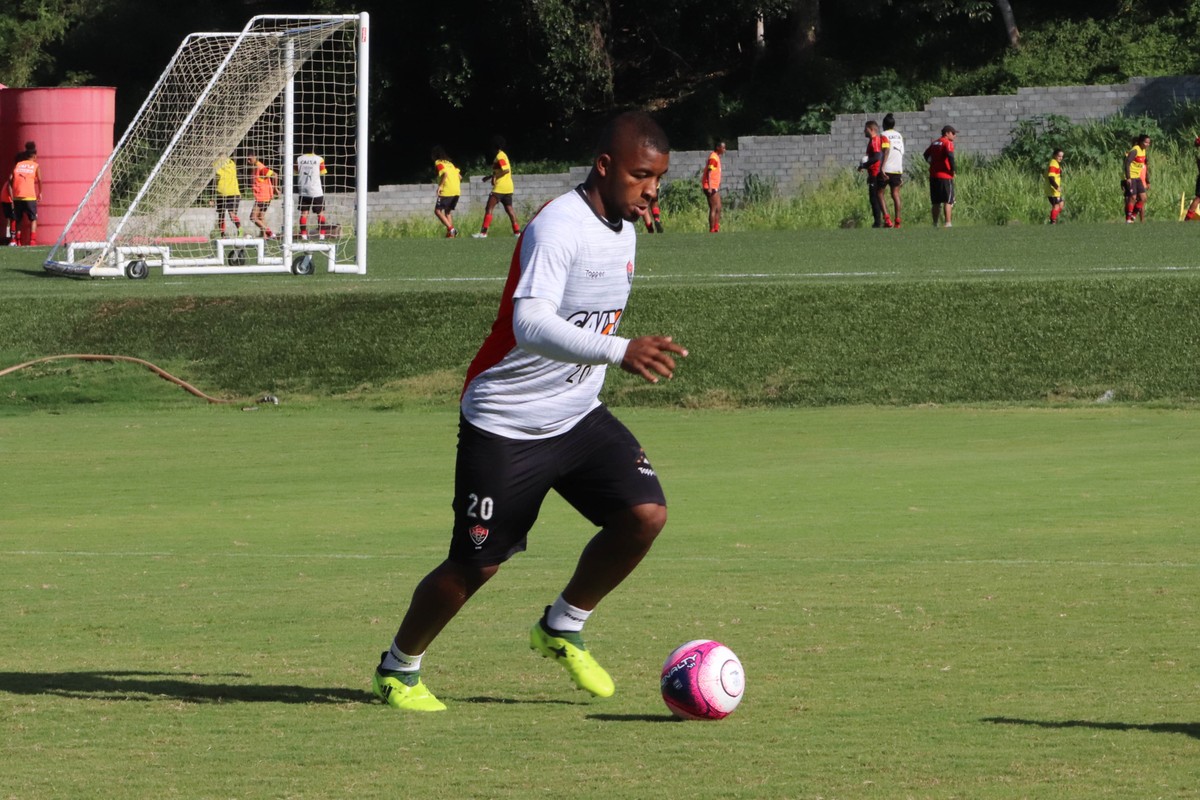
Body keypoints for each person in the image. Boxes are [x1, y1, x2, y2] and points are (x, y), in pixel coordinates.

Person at [371, 110, 685, 712]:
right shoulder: (558, 226)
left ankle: (563, 625)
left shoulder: (627, 230)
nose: (652, 190)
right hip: (506, 423)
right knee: (475, 566)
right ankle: (398, 668)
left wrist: (604, 359)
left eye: (659, 180)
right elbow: (531, 323)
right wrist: (621, 350)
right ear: (605, 166)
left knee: (644, 515)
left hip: (576, 416)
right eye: (642, 176)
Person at [472, 136, 521, 238]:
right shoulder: (502, 155)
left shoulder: (500, 156)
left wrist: (494, 176)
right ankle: (517, 232)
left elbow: (506, 170)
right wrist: (490, 177)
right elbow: (502, 170)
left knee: (489, 207)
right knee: (509, 209)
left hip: (501, 187)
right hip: (508, 187)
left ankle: (483, 233)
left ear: (495, 146)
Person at [923, 125, 957, 227]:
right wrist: (953, 170)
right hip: (945, 176)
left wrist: (932, 163)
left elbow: (925, 154)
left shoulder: (935, 143)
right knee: (948, 200)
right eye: (953, 133)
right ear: (947, 133)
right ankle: (948, 223)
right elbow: (950, 156)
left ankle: (935, 224)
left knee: (936, 202)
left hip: (934, 176)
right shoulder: (948, 143)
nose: (955, 136)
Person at [8, 144, 43, 246]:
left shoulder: (18, 164)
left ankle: (18, 241)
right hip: (29, 196)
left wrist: (13, 189)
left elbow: (10, 178)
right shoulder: (35, 165)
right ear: (34, 156)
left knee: (18, 219)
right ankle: (32, 241)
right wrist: (40, 192)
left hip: (17, 196)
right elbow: (40, 179)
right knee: (33, 219)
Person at [857, 121, 887, 228]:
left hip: (876, 173)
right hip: (873, 173)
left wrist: (864, 165)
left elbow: (877, 156)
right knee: (876, 197)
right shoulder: (872, 141)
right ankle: (880, 221)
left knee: (874, 198)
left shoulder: (874, 141)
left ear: (872, 130)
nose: (864, 131)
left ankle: (877, 223)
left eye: (866, 129)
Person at [296, 149, 329, 240]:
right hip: (316, 191)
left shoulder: (299, 159)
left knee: (304, 213)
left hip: (303, 190)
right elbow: (323, 172)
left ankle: (303, 235)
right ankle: (322, 235)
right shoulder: (319, 159)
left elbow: (295, 171)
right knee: (320, 213)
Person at [432, 146, 462, 238]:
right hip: (456, 190)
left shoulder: (438, 162)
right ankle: (451, 235)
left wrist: (440, 186)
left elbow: (444, 173)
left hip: (447, 190)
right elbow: (460, 177)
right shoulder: (450, 164)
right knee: (447, 212)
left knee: (437, 211)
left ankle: (452, 229)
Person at [880, 113, 905, 228]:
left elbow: (886, 150)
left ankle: (887, 219)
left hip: (886, 168)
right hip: (897, 169)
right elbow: (901, 153)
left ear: (884, 124)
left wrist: (882, 167)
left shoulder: (883, 135)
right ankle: (898, 221)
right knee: (895, 194)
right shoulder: (899, 136)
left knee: (879, 193)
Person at [246, 153, 278, 239]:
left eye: (249, 159)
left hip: (263, 196)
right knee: (261, 217)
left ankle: (270, 233)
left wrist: (275, 189)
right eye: (247, 159)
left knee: (253, 217)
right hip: (265, 196)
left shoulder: (260, 167)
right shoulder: (255, 167)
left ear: (255, 157)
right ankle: (264, 236)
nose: (248, 161)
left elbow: (274, 175)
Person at [212, 154, 243, 237]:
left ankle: (228, 233)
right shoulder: (232, 163)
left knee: (225, 215)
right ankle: (229, 233)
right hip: (230, 192)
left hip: (227, 192)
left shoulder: (216, 164)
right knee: (227, 215)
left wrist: (212, 197)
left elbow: (215, 180)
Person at [1123, 133, 1150, 223]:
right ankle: (1128, 219)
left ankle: (1133, 215)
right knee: (1133, 198)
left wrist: (1147, 179)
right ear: (1141, 142)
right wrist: (1128, 177)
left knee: (1143, 198)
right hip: (1131, 177)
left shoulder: (1143, 150)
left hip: (1137, 177)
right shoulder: (1135, 150)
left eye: (1148, 143)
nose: (1147, 144)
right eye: (1146, 142)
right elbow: (1127, 163)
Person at [701, 141, 725, 232]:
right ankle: (711, 230)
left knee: (718, 207)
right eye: (723, 148)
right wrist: (710, 187)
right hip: (709, 186)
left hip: (714, 186)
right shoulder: (713, 157)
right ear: (718, 147)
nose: (724, 150)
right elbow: (709, 172)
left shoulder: (716, 157)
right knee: (714, 208)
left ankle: (716, 228)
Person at [1045, 148, 1064, 224]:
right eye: (1059, 156)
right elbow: (1051, 177)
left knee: (1061, 204)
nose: (1061, 158)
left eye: (1062, 156)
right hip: (1052, 189)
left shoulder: (1055, 163)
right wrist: (1056, 187)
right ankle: (1053, 222)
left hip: (1054, 190)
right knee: (1056, 206)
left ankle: (1053, 217)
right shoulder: (1053, 164)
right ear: (1054, 155)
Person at [1184, 137, 1200, 221]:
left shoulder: (1197, 153)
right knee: (1198, 198)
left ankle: (1187, 219)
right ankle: (1187, 220)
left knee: (1198, 198)